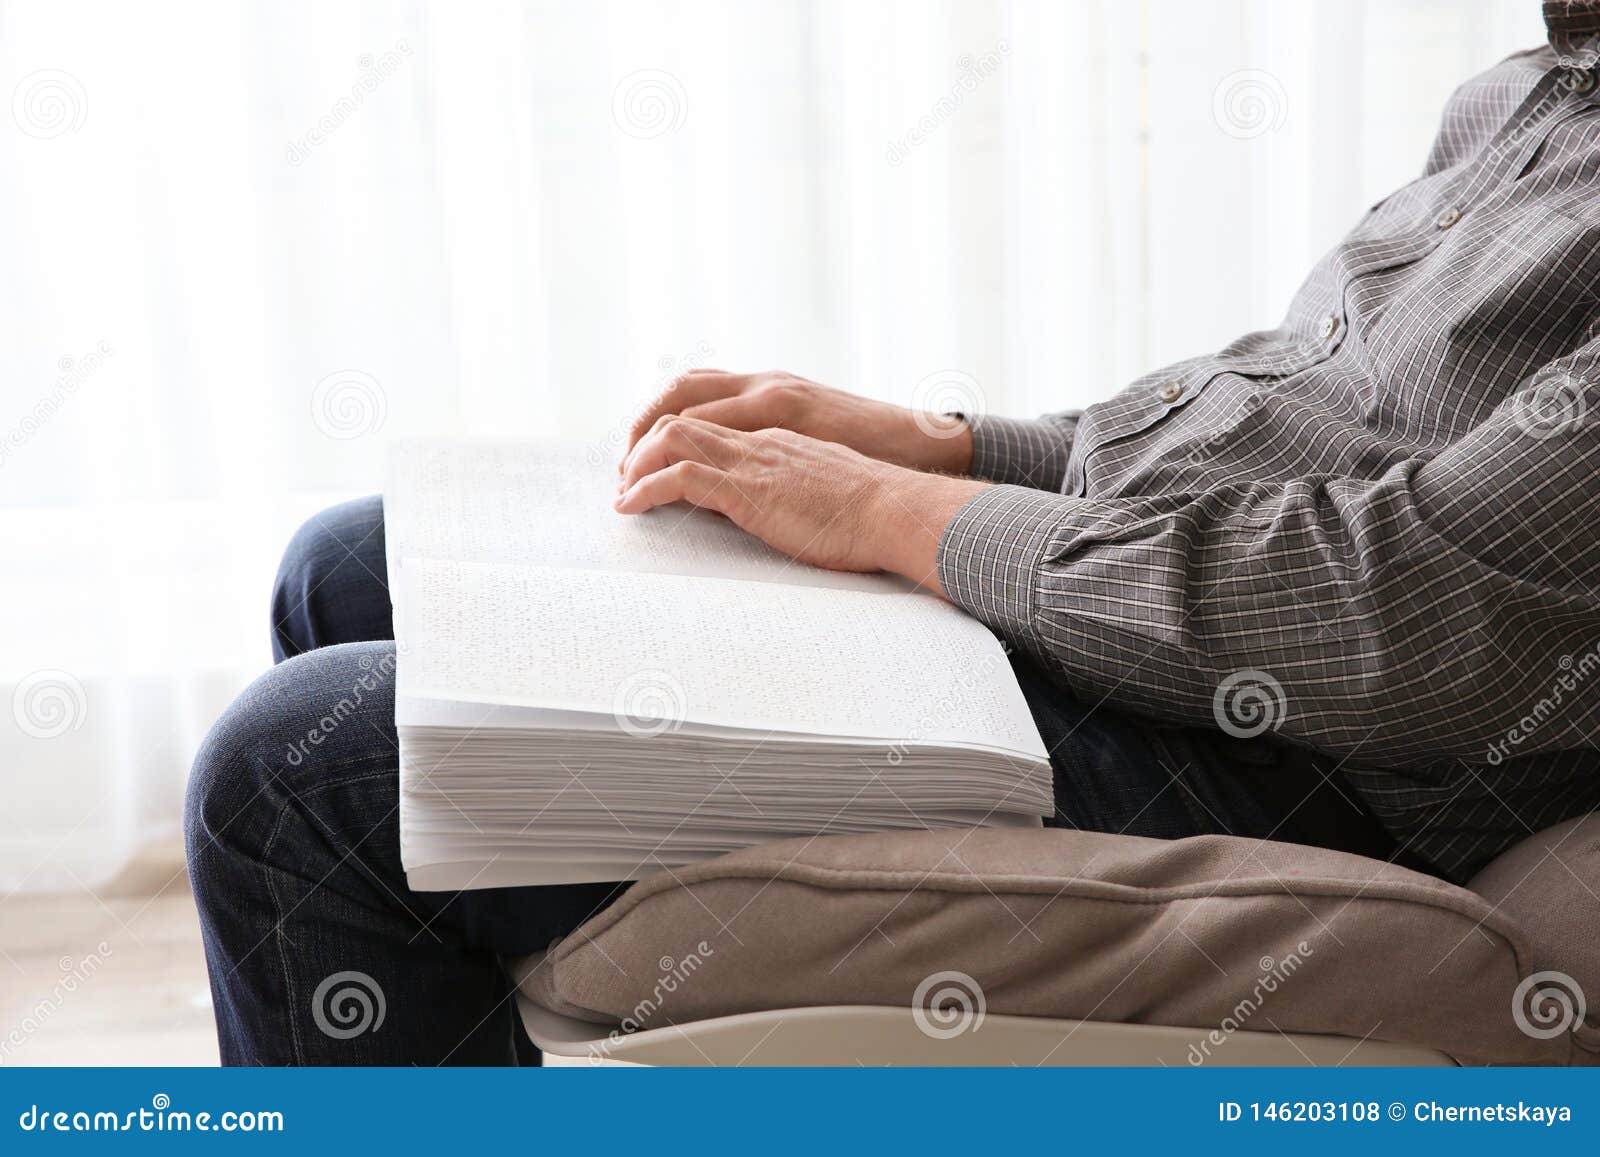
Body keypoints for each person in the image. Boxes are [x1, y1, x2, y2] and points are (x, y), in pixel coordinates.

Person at [189, 5, 1600, 1064]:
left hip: (1275, 749)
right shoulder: (1542, 89)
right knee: (347, 564)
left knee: (295, 774)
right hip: (1137, 634)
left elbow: (1406, 607)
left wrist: (901, 518)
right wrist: (951, 448)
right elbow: (1288, 416)